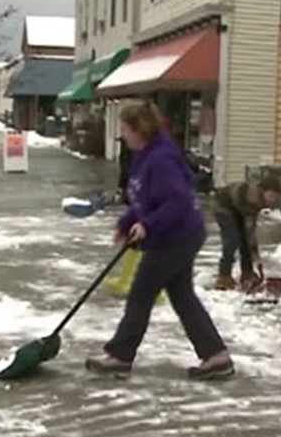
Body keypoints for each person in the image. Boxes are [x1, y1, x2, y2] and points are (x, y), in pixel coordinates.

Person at [86, 100, 234, 381]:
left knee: (141, 294)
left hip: (176, 237)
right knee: (182, 296)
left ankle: (120, 356)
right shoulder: (145, 156)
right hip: (175, 235)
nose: (123, 135)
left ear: (138, 130)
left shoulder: (161, 159)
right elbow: (144, 200)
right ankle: (217, 357)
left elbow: (175, 201)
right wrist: (127, 223)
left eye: (125, 129)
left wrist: (148, 224)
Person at [211, 175, 281, 290]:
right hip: (223, 205)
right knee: (233, 239)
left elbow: (249, 231)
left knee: (245, 239)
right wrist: (256, 256)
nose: (273, 200)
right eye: (271, 196)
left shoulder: (260, 199)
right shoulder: (252, 198)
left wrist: (255, 255)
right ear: (262, 191)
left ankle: (247, 273)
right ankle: (224, 276)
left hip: (238, 209)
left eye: (276, 197)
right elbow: (250, 230)